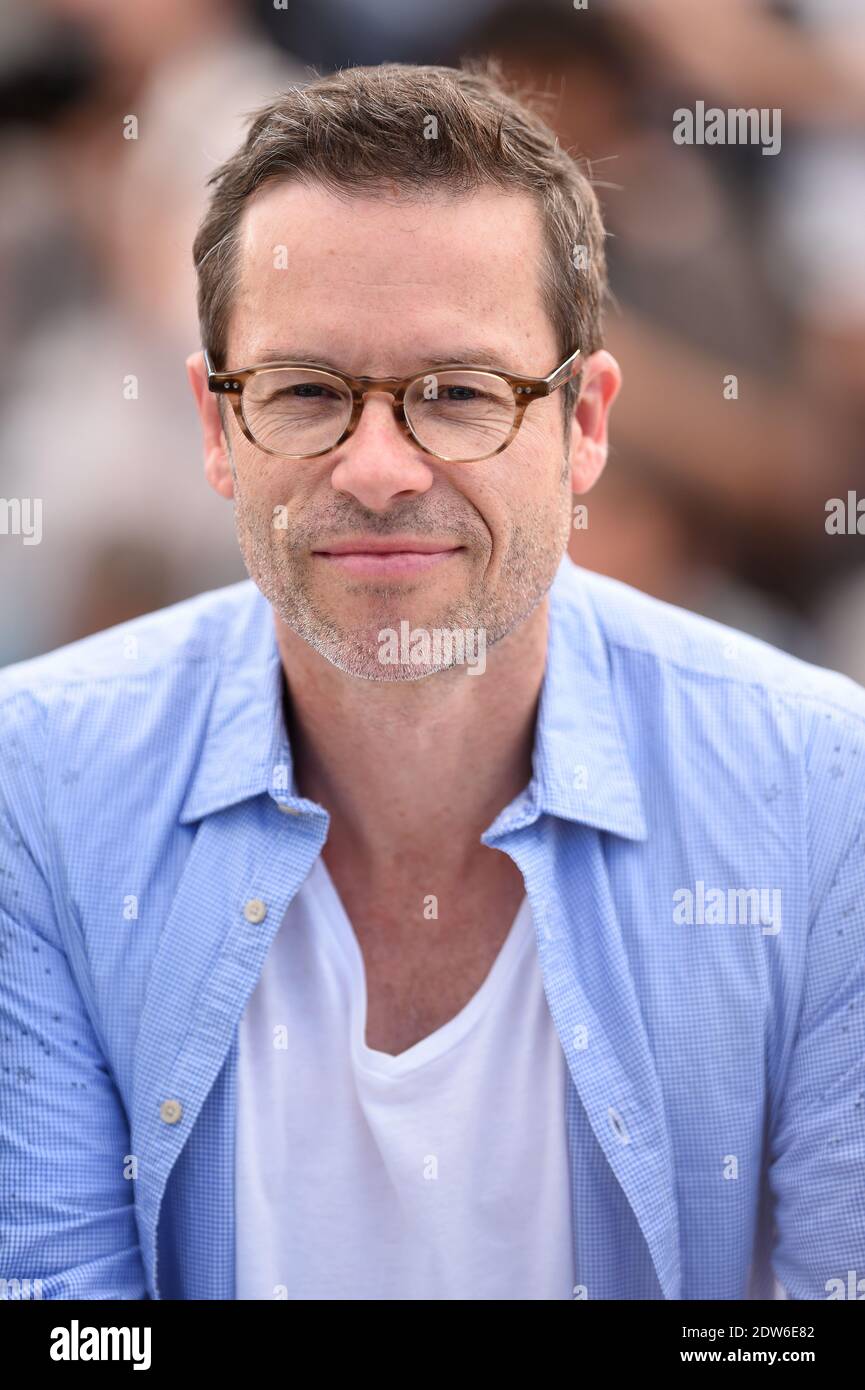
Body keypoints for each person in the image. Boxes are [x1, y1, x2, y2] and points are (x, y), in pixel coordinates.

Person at [1, 62, 863, 1302]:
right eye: (305, 392)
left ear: (586, 425)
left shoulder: (825, 794)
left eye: (457, 394)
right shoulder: (34, 784)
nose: (379, 467)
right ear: (213, 426)